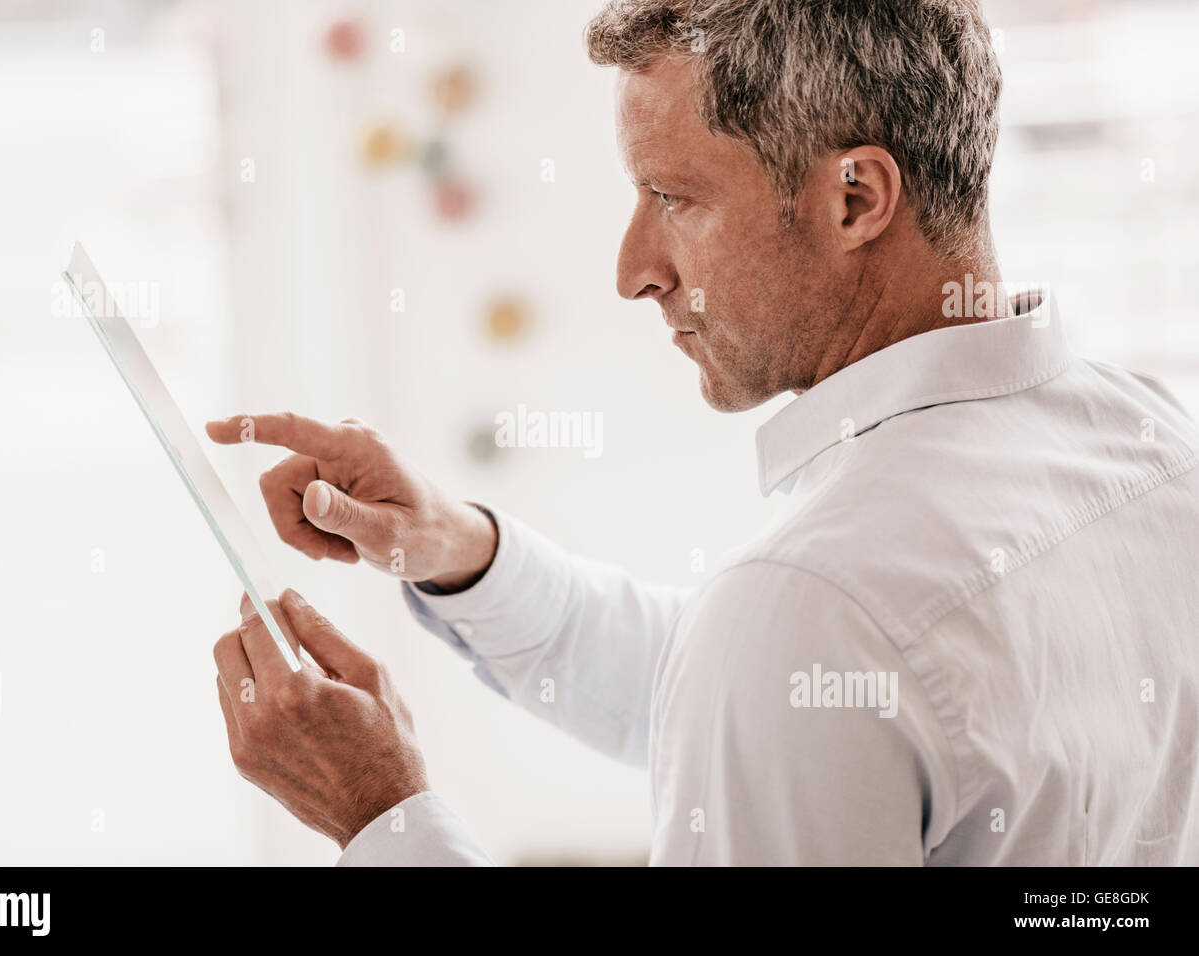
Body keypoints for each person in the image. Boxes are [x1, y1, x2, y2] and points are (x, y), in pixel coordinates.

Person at [207, 0, 1199, 865]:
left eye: (673, 198)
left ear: (854, 198)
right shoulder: (1155, 445)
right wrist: (465, 552)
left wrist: (379, 815)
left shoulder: (813, 602)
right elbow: (774, 708)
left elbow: (779, 666)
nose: (635, 268)